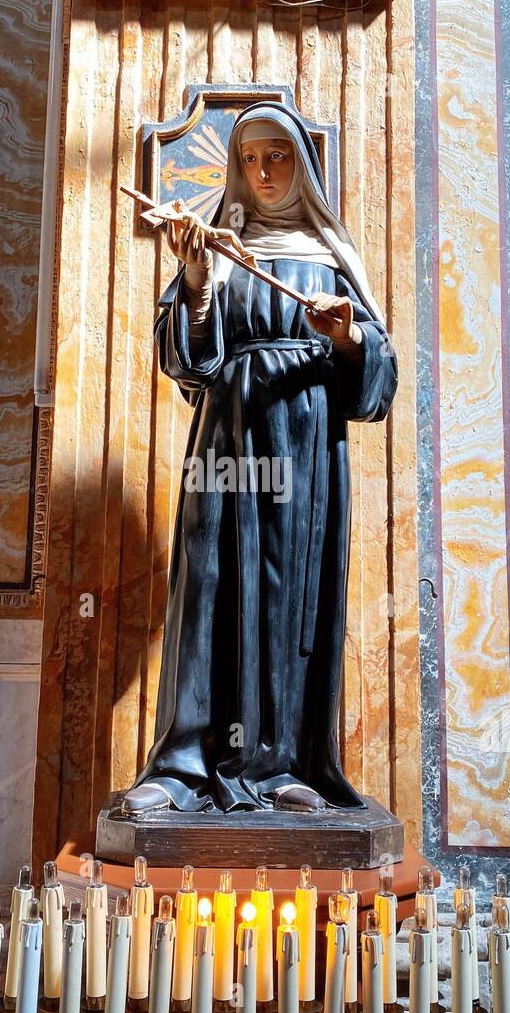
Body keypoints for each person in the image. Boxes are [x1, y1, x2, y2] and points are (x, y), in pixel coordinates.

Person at [125, 102, 398, 815]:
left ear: (300, 164)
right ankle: (183, 764)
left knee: (288, 590)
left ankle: (279, 765)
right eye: (249, 159)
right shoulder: (216, 247)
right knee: (207, 582)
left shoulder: (330, 255)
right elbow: (190, 366)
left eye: (276, 155)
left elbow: (377, 381)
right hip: (227, 433)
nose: (263, 171)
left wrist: (347, 340)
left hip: (305, 442)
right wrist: (191, 281)